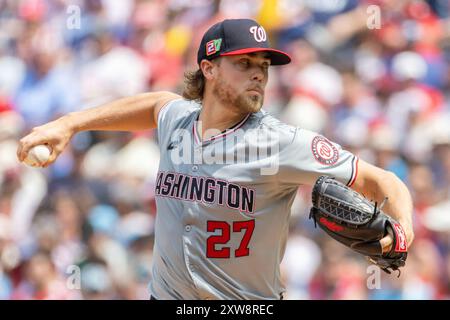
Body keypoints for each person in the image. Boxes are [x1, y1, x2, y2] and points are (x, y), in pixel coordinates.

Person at [17, 18, 414, 300]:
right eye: (243, 64)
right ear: (208, 68)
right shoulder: (177, 120)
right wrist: (70, 124)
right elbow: (157, 103)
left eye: (263, 66)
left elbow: (386, 183)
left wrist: (403, 231)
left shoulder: (280, 142)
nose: (258, 74)